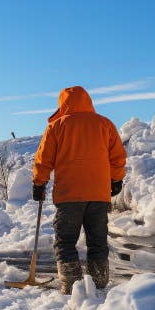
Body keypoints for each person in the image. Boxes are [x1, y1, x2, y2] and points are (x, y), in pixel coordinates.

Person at [32, 86, 126, 294]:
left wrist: (39, 183)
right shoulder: (105, 124)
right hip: (99, 195)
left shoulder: (57, 126)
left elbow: (43, 159)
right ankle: (99, 286)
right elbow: (117, 157)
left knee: (65, 242)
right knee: (98, 241)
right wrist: (116, 179)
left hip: (69, 195)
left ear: (62, 103)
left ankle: (71, 286)